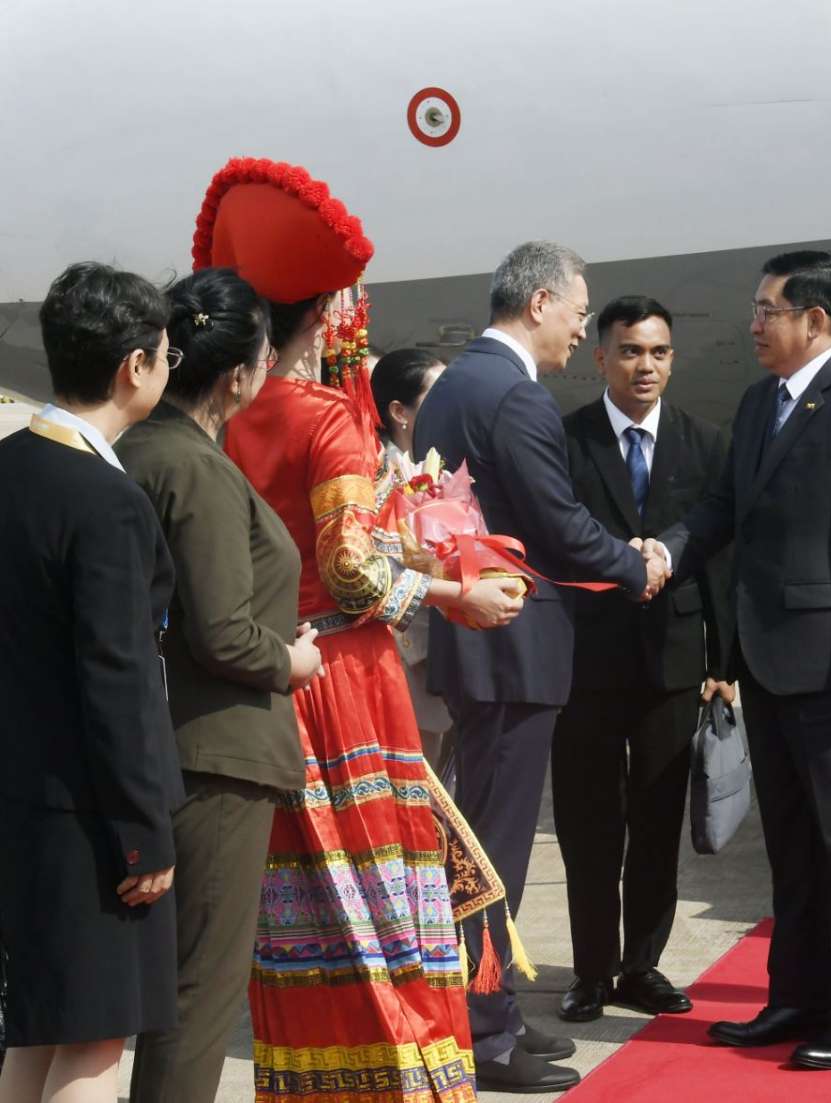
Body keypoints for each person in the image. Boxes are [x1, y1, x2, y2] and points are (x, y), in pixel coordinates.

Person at [197, 157, 523, 1102]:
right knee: (381, 905)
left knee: (293, 915)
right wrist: (454, 597)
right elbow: (347, 566)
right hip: (343, 679)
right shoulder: (322, 418)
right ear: (329, 316)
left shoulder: (215, 417)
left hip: (257, 674)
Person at [413, 242, 666, 1094]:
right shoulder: (515, 394)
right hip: (512, 644)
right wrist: (635, 564)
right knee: (494, 849)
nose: (581, 328)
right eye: (578, 311)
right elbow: (556, 525)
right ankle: (482, 1032)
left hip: (479, 639)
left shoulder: (453, 386)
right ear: (539, 303)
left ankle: (499, 1011)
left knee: (486, 839)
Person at [656, 250, 831, 1070]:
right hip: (767, 661)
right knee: (793, 844)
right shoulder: (762, 400)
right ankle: (800, 994)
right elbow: (722, 512)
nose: (755, 322)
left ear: (817, 319)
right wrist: (659, 556)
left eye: (769, 308)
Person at [114, 267, 322, 1101]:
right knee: (199, 996)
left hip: (175, 743)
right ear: (240, 373)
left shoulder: (142, 449)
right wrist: (292, 660)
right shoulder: (191, 466)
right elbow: (224, 629)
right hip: (217, 754)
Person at [0, 262, 182, 1103]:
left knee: (39, 1030)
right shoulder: (105, 499)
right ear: (133, 366)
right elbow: (119, 676)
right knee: (95, 1039)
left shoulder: (11, 469)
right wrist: (143, 830)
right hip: (88, 816)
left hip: (22, 802)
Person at [553, 296, 733, 1023]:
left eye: (658, 352)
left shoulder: (703, 442)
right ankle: (591, 969)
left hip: (672, 659)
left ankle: (642, 965)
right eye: (630, 351)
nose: (645, 366)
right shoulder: (566, 440)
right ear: (600, 357)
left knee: (657, 817)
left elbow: (722, 555)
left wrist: (727, 658)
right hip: (584, 661)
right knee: (588, 822)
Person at [371, 347, 453, 768]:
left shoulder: (435, 469)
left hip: (440, 652)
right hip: (398, 655)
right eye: (437, 397)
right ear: (400, 412)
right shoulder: (378, 472)